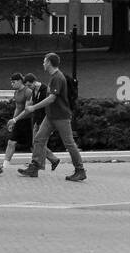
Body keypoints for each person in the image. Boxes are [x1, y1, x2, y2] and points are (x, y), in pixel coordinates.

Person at [19, 52, 85, 181]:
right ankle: (35, 167)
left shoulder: (58, 78)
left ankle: (80, 170)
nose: (43, 64)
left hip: (61, 117)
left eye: (44, 61)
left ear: (49, 62)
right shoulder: (53, 77)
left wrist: (34, 107)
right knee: (38, 139)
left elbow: (51, 98)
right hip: (50, 116)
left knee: (69, 144)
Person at [22, 73, 62, 170]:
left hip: (44, 120)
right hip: (37, 120)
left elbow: (48, 104)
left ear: (35, 82)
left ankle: (36, 164)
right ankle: (53, 160)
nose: (28, 88)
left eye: (29, 85)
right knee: (37, 143)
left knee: (39, 143)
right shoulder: (34, 91)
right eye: (26, 86)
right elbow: (31, 104)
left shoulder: (45, 90)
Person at [0, 73, 34, 171]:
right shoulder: (16, 92)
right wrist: (13, 121)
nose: (12, 84)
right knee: (11, 142)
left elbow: (27, 109)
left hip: (28, 121)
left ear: (20, 81)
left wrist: (15, 119)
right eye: (11, 82)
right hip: (19, 121)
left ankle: (48, 160)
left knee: (33, 145)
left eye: (14, 82)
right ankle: (5, 165)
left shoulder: (28, 92)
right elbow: (17, 108)